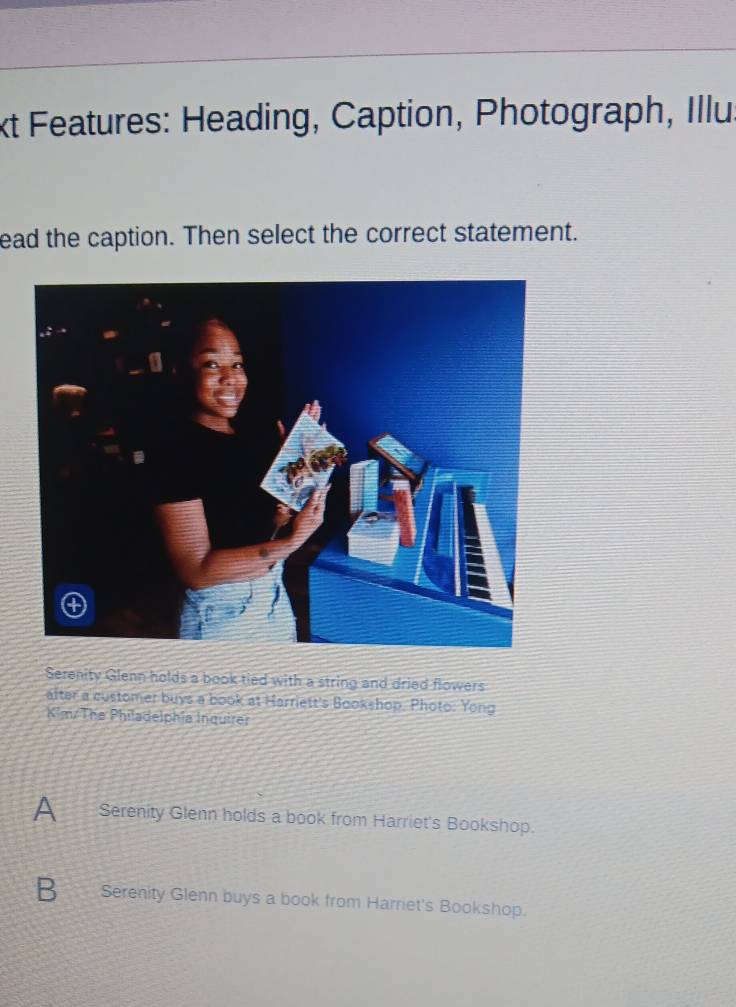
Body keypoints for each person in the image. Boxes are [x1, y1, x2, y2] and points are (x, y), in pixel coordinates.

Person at [151, 317, 327, 642]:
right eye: (211, 364)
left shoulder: (246, 436)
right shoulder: (172, 452)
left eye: (237, 363)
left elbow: (264, 524)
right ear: (182, 371)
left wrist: (296, 465)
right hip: (221, 614)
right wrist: (292, 542)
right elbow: (197, 571)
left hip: (272, 590)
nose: (231, 378)